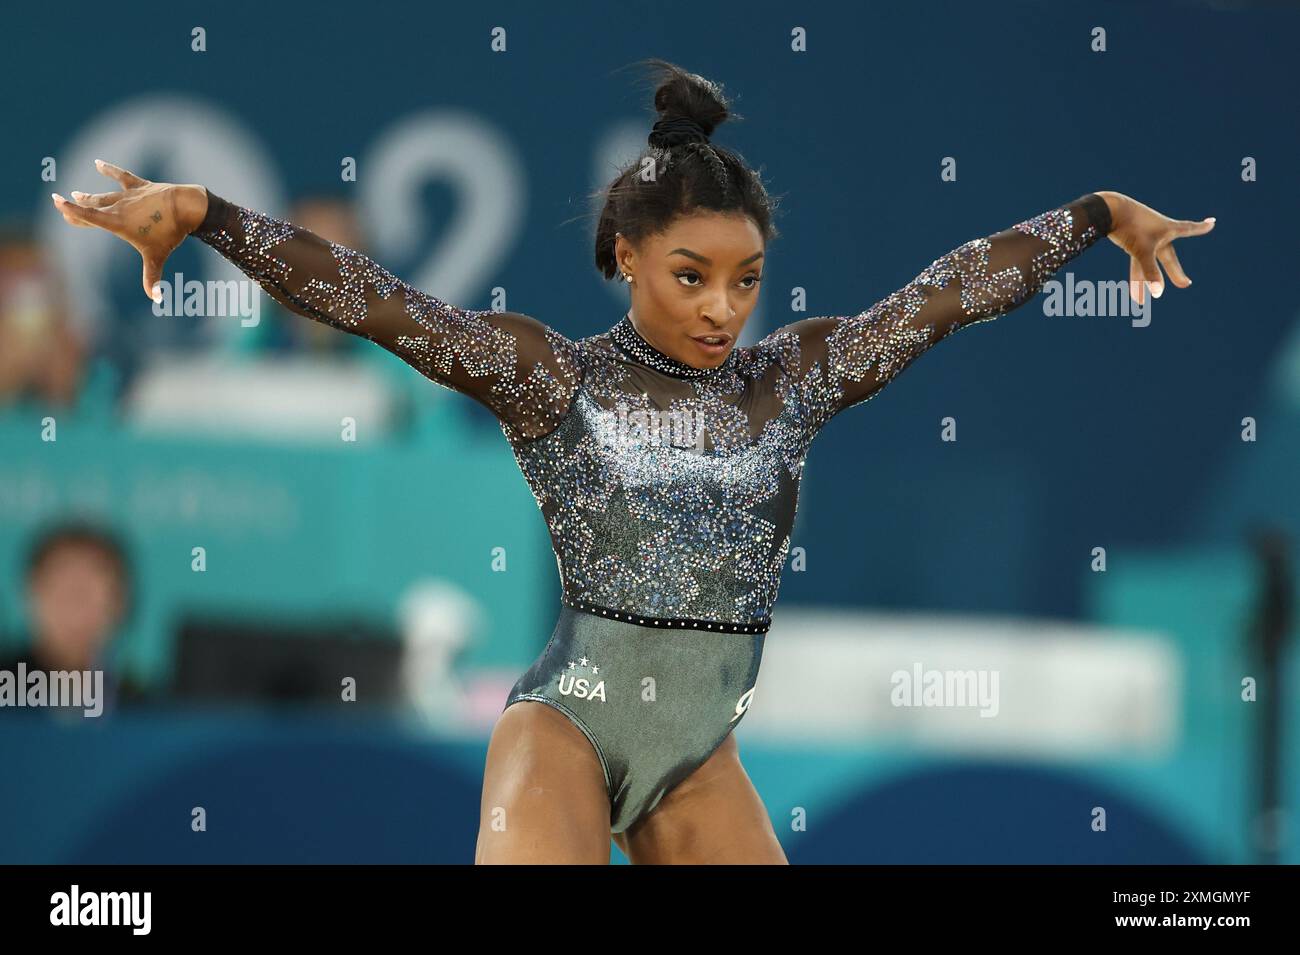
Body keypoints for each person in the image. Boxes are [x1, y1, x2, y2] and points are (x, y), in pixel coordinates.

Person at [49, 58, 1214, 863]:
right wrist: (206, 212)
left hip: (696, 758)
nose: (723, 308)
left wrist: (1098, 212)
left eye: (746, 277)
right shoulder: (547, 375)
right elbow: (375, 304)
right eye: (690, 275)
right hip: (566, 726)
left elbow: (948, 294)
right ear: (623, 256)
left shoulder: (791, 379)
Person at [0, 521, 147, 714]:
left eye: (88, 595)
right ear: (29, 596)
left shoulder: (144, 708)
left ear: (120, 605)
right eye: (62, 593)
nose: (75, 611)